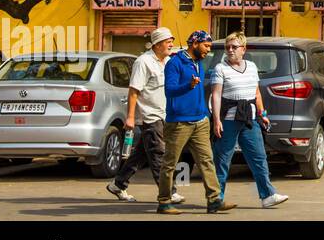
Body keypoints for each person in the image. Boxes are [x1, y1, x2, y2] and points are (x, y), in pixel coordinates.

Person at [106, 27, 184, 205]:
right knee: (159, 154)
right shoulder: (143, 62)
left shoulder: (167, 61)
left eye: (171, 40)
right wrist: (130, 117)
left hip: (164, 114)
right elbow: (134, 91)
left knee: (141, 153)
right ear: (156, 44)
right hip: (150, 116)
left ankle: (118, 184)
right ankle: (168, 192)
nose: (171, 44)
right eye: (167, 41)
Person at [156, 30, 231, 215]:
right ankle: (164, 202)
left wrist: (206, 115)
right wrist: (187, 86)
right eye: (206, 46)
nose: (208, 50)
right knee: (170, 163)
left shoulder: (199, 63)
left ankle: (214, 200)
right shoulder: (175, 63)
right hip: (179, 123)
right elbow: (170, 90)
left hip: (200, 121)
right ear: (195, 44)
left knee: (206, 160)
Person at [210, 32, 287, 209]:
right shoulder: (220, 69)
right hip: (228, 119)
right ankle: (216, 199)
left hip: (249, 119)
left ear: (243, 49)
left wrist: (263, 114)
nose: (230, 50)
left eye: (234, 47)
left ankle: (268, 195)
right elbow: (216, 95)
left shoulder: (251, 67)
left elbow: (256, 92)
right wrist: (216, 121)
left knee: (258, 157)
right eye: (227, 47)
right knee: (222, 160)